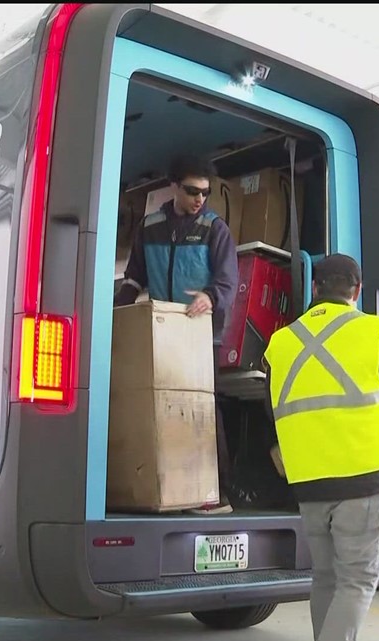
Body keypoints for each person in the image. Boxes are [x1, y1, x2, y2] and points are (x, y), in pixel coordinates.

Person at [262, 253, 379, 641]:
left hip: (309, 481)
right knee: (356, 580)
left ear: (315, 288)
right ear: (357, 291)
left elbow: (270, 405)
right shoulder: (373, 331)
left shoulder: (280, 342)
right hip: (362, 477)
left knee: (326, 577)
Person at [114, 153, 239, 515]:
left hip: (200, 335)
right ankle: (170, 490)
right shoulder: (150, 226)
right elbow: (134, 277)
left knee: (203, 410)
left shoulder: (215, 229)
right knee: (161, 407)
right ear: (173, 187)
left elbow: (228, 280)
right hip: (162, 331)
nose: (200, 199)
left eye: (205, 193)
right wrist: (117, 311)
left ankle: (217, 494)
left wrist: (209, 297)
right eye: (192, 191)